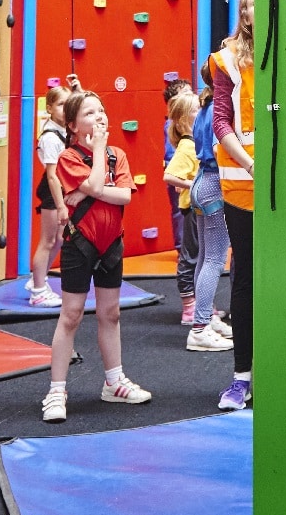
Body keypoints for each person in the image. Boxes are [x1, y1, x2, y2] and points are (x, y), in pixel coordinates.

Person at [41, 90, 150, 421]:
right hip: (80, 243)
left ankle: (114, 381)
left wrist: (94, 189)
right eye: (90, 113)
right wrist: (99, 164)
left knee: (111, 313)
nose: (100, 116)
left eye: (101, 110)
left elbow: (123, 197)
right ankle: (57, 390)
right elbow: (99, 182)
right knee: (71, 314)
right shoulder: (68, 158)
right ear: (73, 125)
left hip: (111, 244)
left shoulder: (118, 155)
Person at [208, 0, 257, 408]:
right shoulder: (225, 61)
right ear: (243, 14)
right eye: (251, 5)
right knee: (245, 280)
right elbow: (221, 119)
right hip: (243, 189)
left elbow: (283, 108)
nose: (256, 12)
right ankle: (242, 376)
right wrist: (250, 161)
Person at [187, 81, 234, 353]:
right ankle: (200, 326)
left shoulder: (205, 107)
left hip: (201, 181)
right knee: (215, 259)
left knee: (205, 257)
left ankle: (206, 318)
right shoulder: (219, 108)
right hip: (215, 183)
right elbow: (221, 148)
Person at [162, 81, 203, 327]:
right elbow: (169, 176)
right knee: (190, 257)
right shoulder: (187, 147)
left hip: (201, 207)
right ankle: (189, 307)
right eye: (197, 110)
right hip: (193, 209)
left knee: (202, 257)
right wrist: (193, 184)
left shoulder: (195, 143)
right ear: (185, 119)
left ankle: (201, 301)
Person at [28, 84, 71, 308]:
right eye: (61, 104)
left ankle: (40, 276)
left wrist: (78, 89)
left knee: (60, 239)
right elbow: (52, 176)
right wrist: (61, 204)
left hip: (61, 190)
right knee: (47, 240)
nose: (65, 109)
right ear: (50, 108)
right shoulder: (51, 138)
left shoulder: (64, 131)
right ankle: (37, 291)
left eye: (68, 104)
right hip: (54, 191)